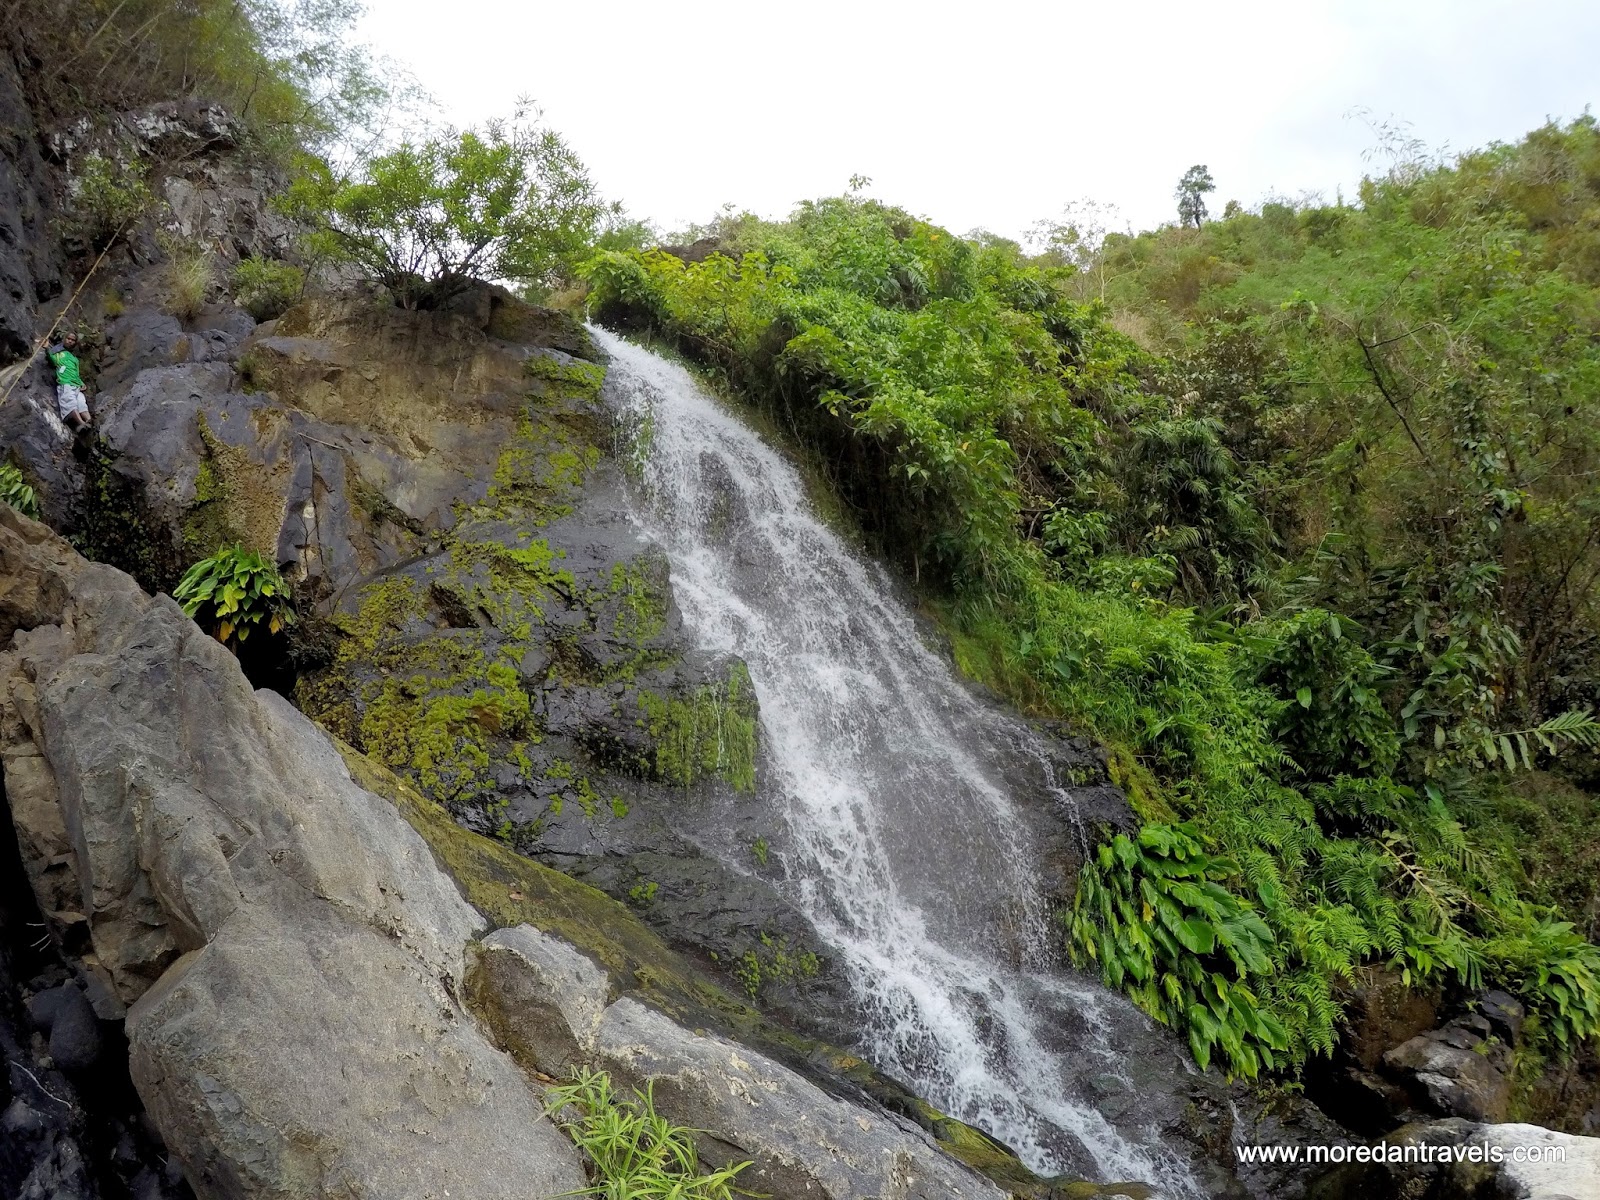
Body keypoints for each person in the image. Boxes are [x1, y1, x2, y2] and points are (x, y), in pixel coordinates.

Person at [45, 332, 91, 433]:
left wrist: (81, 382)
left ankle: (88, 420)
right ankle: (81, 423)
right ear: (64, 339)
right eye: (68, 338)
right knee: (69, 402)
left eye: (73, 340)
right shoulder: (58, 352)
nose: (70, 341)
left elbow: (76, 373)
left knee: (81, 403)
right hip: (65, 383)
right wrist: (47, 348)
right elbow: (52, 359)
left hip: (76, 385)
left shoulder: (74, 358)